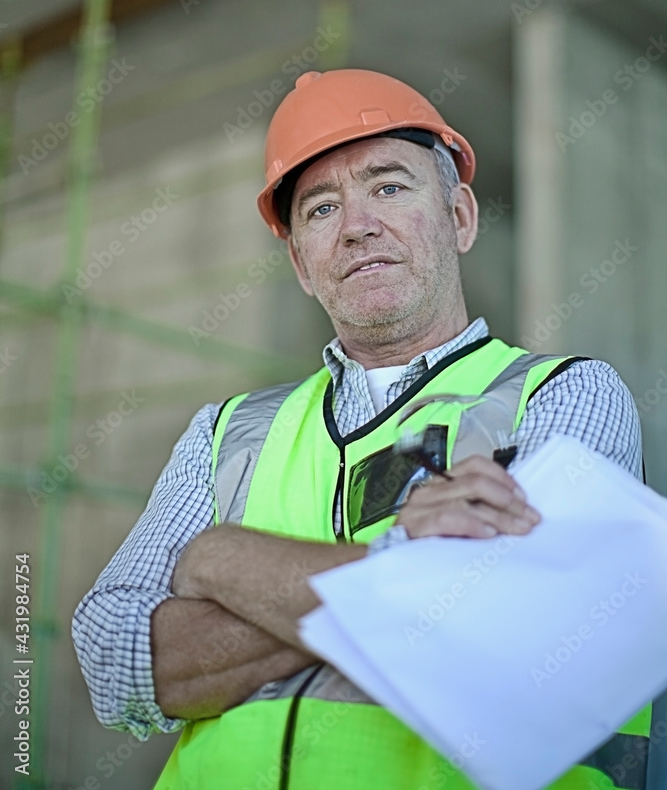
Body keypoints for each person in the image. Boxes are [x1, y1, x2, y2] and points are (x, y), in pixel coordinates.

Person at [73, 68, 653, 790]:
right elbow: (117, 662)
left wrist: (221, 561)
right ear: (301, 265)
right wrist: (412, 569)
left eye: (388, 187)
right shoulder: (224, 433)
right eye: (319, 209)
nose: (355, 226)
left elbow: (511, 638)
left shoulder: (560, 394)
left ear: (460, 218)